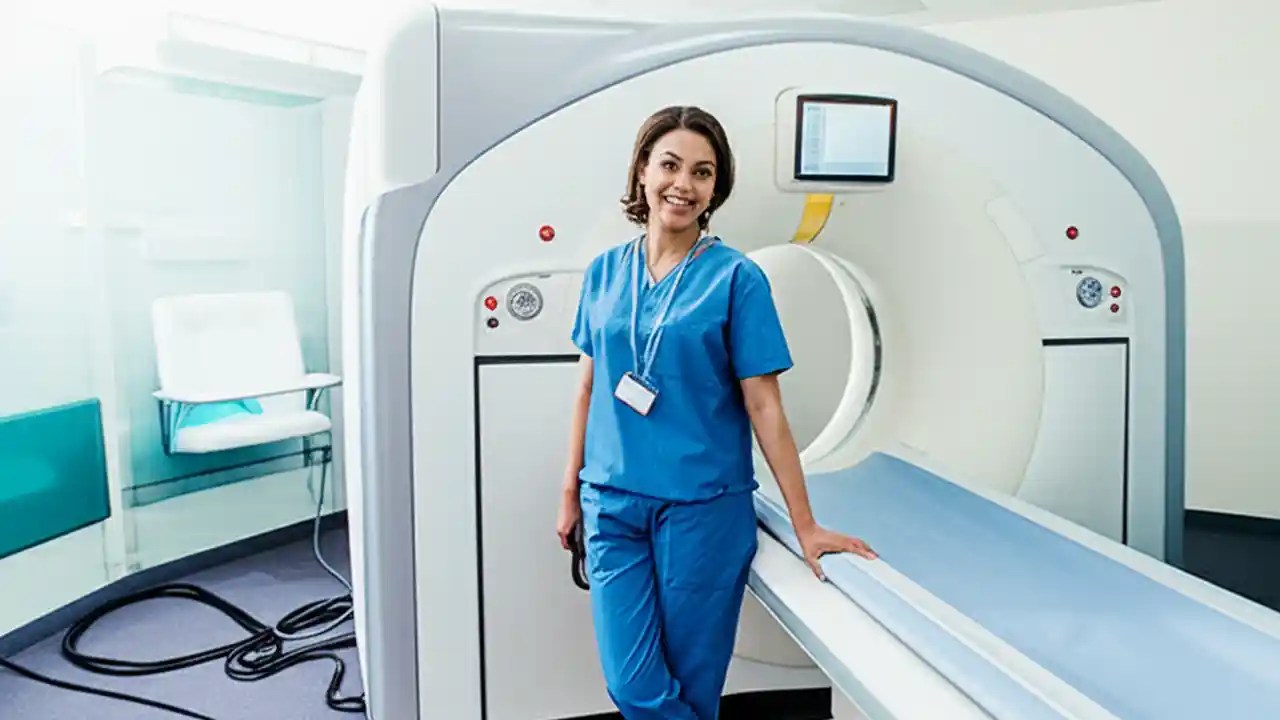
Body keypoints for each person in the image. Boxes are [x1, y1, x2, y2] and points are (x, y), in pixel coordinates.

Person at [556, 105, 877, 720]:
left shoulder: (737, 278)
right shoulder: (603, 272)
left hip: (702, 511)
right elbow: (586, 389)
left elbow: (765, 406)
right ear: (643, 172)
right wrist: (569, 491)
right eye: (670, 165)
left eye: (702, 173)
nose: (684, 183)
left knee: (694, 686)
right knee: (633, 686)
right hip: (612, 506)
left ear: (715, 190)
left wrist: (806, 525)